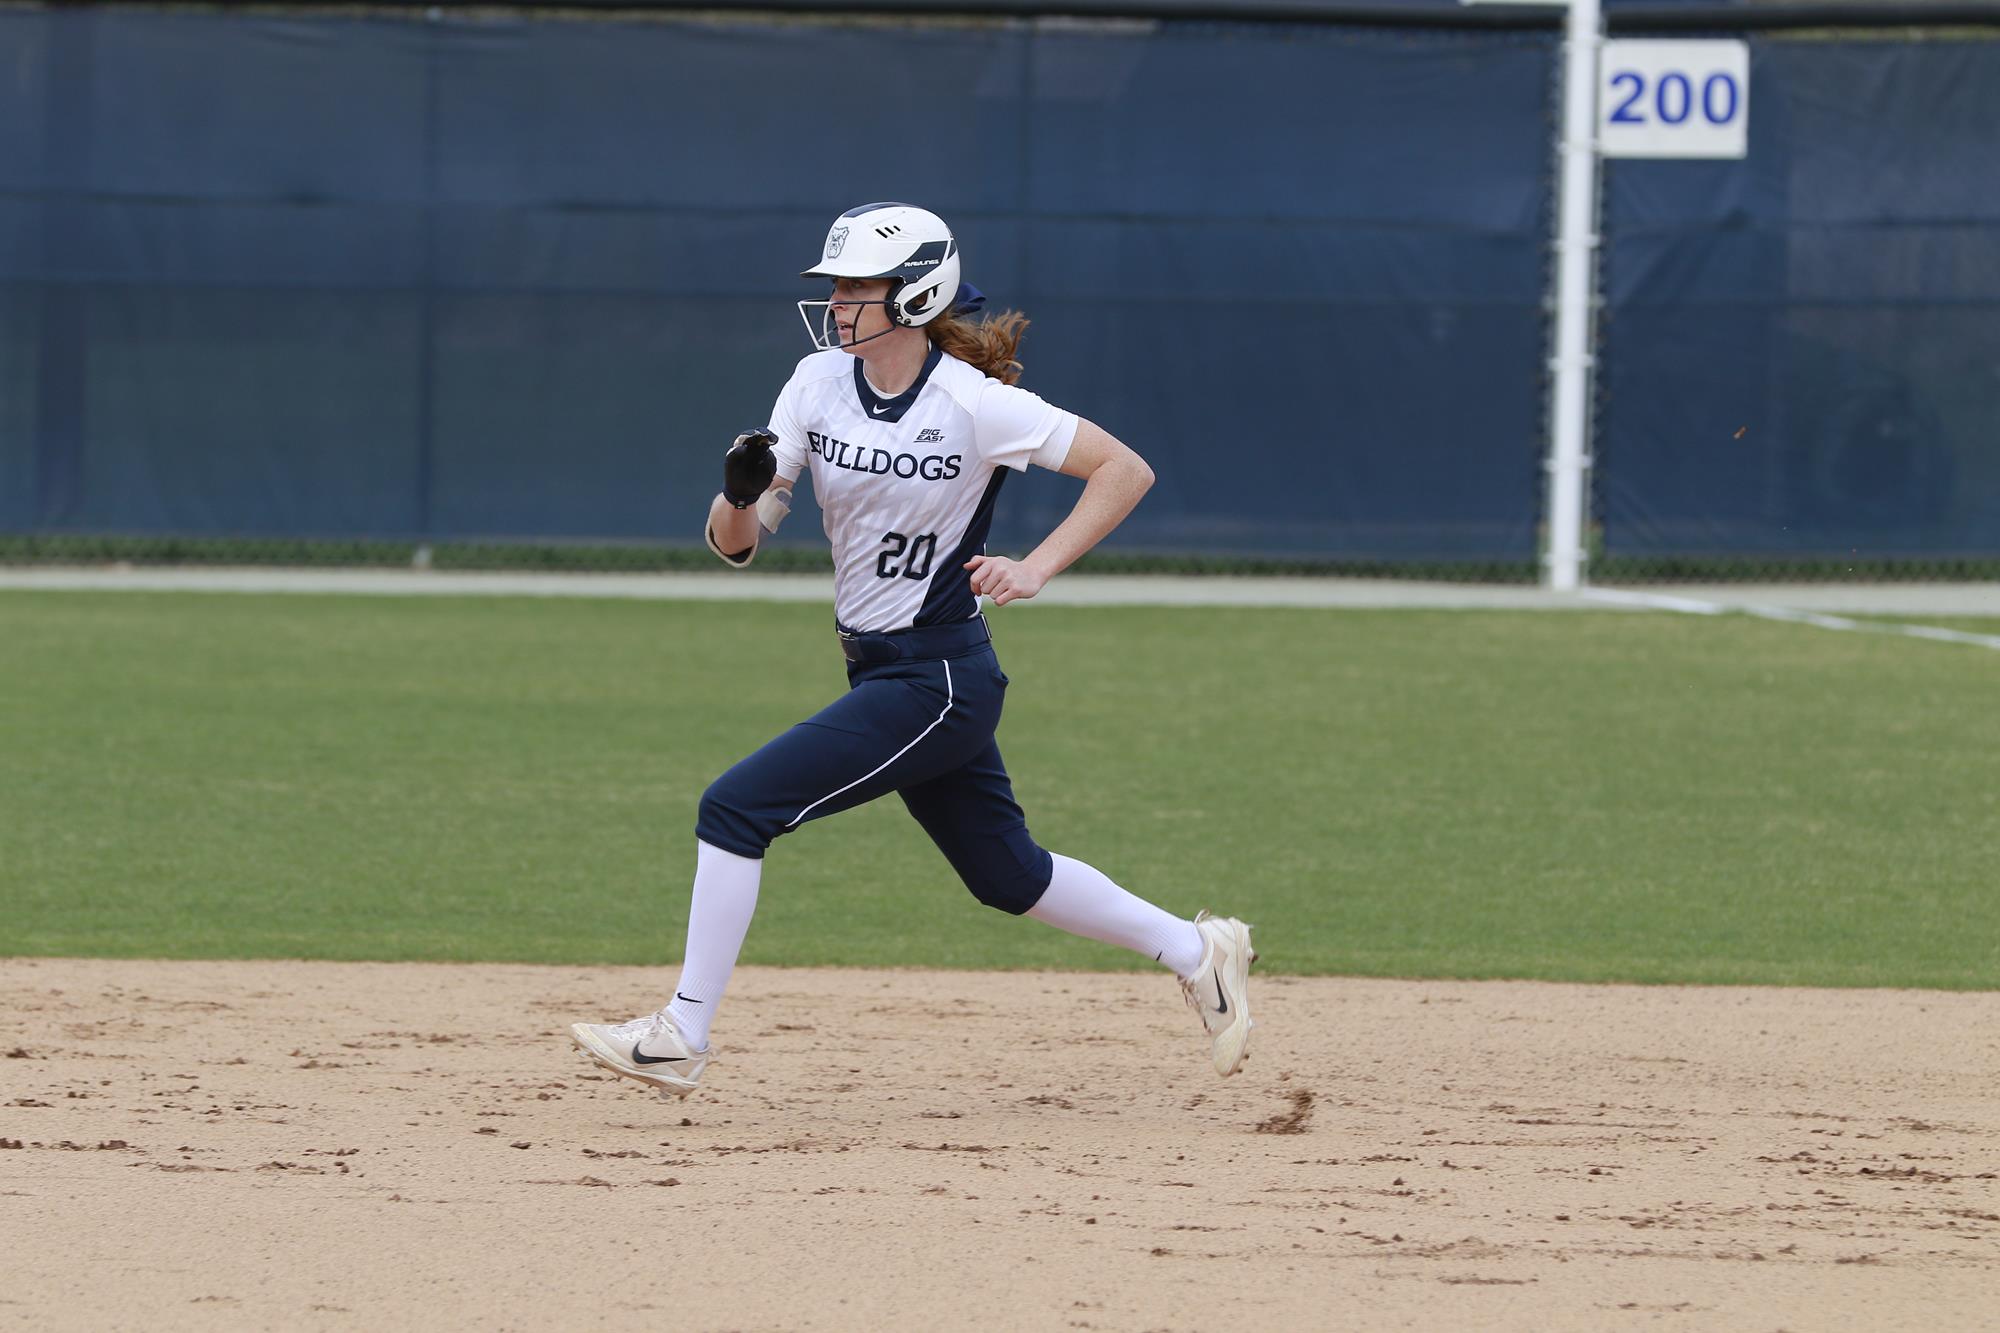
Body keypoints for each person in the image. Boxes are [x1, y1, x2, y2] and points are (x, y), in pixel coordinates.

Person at [570, 203, 1255, 1100]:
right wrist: (737, 494)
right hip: (883, 668)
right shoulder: (816, 382)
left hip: (938, 677)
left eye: (859, 286)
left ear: (916, 293)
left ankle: (682, 1031)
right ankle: (1197, 948)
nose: (840, 302)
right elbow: (735, 543)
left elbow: (1125, 469)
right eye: (838, 286)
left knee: (735, 808)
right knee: (1008, 874)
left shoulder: (974, 402)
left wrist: (1038, 565)